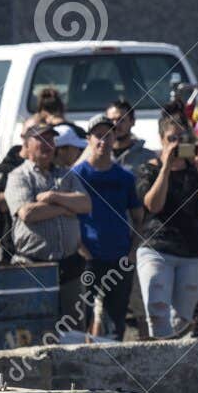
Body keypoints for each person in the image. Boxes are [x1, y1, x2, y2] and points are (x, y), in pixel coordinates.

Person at [135, 115, 198, 338]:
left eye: (183, 138)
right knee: (158, 312)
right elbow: (154, 205)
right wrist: (165, 167)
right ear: (161, 140)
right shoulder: (149, 169)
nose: (177, 143)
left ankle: (179, 366)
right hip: (157, 248)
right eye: (172, 138)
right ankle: (159, 363)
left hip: (194, 251)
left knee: (181, 322)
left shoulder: (196, 169)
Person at [6, 122, 92, 324]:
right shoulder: (18, 176)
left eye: (51, 139)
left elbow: (86, 204)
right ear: (26, 145)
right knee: (36, 327)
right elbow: (27, 213)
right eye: (40, 139)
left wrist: (53, 196)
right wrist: (66, 208)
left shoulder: (66, 175)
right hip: (33, 267)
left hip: (69, 267)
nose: (47, 144)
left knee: (74, 330)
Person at [74, 114, 144, 340]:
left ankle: (115, 371)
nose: (102, 141)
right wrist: (80, 248)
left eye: (107, 135)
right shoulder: (77, 175)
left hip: (120, 258)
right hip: (87, 259)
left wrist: (133, 251)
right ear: (88, 139)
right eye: (97, 136)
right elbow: (67, 216)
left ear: (115, 137)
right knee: (82, 319)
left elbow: (139, 217)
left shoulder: (124, 176)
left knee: (116, 322)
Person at [105, 100, 156, 170]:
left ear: (132, 121)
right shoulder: (97, 156)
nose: (115, 124)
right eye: (111, 120)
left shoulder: (148, 158)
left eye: (121, 120)